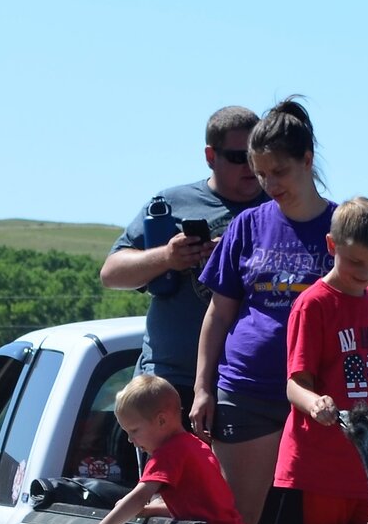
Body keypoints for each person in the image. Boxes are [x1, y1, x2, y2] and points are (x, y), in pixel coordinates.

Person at [192, 99, 368, 524]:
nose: (268, 183)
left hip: (326, 403)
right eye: (260, 173)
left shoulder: (349, 226)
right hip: (248, 391)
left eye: (278, 172)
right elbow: (218, 315)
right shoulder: (246, 225)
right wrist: (202, 389)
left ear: (307, 160)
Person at [101, 106, 265, 394]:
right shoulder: (171, 203)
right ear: (210, 157)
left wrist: (233, 257)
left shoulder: (280, 208)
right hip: (170, 382)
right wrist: (168, 257)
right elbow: (112, 274)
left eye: (255, 156)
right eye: (238, 158)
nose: (249, 167)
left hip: (249, 384)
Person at [272, 198, 368, 524]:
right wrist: (316, 403)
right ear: (332, 245)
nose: (365, 272)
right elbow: (294, 384)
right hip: (321, 474)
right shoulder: (313, 305)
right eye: (356, 261)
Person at [77, 374, 246, 524]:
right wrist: (148, 511)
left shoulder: (168, 453)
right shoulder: (196, 445)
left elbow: (139, 497)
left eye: (134, 430)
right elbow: (197, 508)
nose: (129, 439)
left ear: (161, 420)